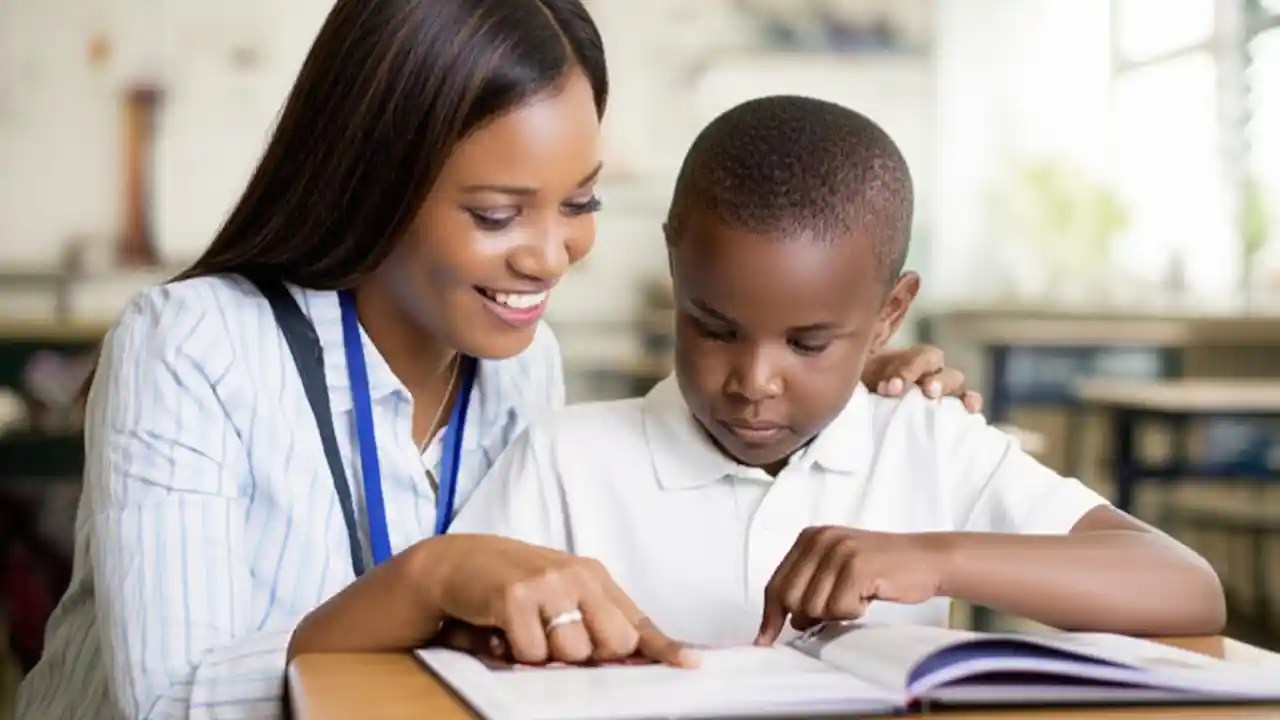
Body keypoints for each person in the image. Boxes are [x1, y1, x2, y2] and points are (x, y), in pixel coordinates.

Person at [15, 3, 977, 718]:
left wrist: (858, 388)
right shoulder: (193, 347)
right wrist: (429, 582)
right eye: (496, 214)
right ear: (374, 178)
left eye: (581, 204)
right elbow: (166, 703)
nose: (549, 255)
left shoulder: (524, 363)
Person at [450, 95, 1227, 651]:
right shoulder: (567, 459)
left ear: (891, 315)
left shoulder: (927, 444)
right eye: (714, 327)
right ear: (675, 273)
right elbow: (442, 630)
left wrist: (933, 558)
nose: (754, 380)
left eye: (809, 343)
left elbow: (1187, 588)